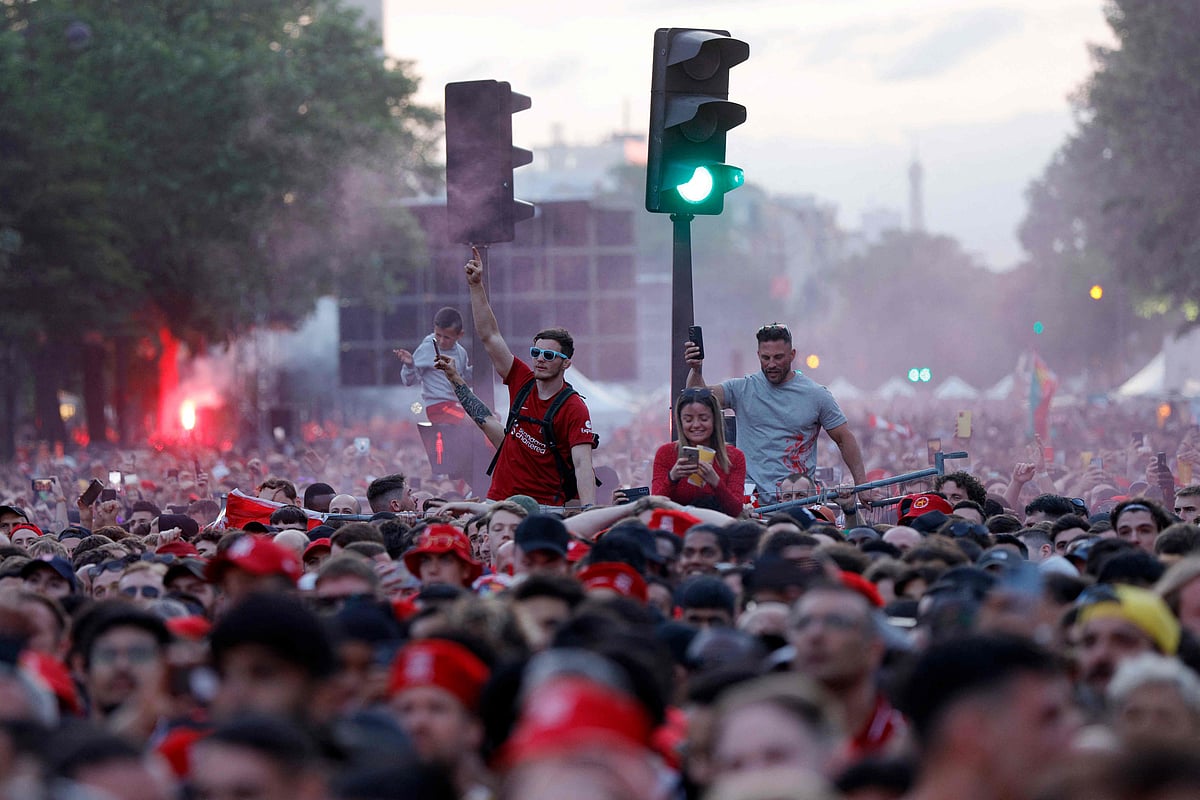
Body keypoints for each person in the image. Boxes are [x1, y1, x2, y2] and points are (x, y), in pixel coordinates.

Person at [464, 250, 597, 507]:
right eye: (536, 352)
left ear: (566, 363)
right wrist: (476, 286)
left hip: (544, 508)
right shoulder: (522, 380)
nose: (540, 359)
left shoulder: (574, 407)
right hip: (499, 501)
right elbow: (490, 336)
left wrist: (588, 512)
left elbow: (582, 464)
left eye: (548, 355)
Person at [684, 322, 867, 503]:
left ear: (792, 355)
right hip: (751, 502)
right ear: (758, 355)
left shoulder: (816, 394)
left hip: (797, 500)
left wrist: (862, 486)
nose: (771, 364)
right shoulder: (742, 388)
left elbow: (844, 438)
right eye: (766, 358)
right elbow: (696, 400)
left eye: (778, 357)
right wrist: (696, 369)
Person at [652, 388, 747, 517]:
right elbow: (653, 507)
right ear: (680, 422)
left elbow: (735, 510)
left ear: (714, 420)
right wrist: (672, 478)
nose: (696, 425)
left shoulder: (734, 457)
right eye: (688, 420)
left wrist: (715, 482)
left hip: (719, 528)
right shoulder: (666, 453)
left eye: (703, 418)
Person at [394, 306, 473, 424]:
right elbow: (409, 381)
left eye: (446, 337)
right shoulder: (427, 349)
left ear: (459, 335)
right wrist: (410, 366)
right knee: (478, 420)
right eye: (438, 335)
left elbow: (464, 377)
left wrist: (482, 368)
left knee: (491, 417)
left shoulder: (461, 353)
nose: (441, 341)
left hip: (457, 405)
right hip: (439, 407)